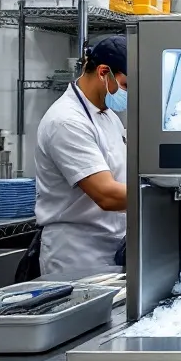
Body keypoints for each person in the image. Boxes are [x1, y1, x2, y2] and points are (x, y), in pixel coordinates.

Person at [33, 36, 129, 280]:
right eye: (127, 85)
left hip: (111, 245)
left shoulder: (107, 115)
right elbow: (106, 194)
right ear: (103, 72)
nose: (131, 94)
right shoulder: (66, 121)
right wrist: (171, 196)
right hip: (78, 254)